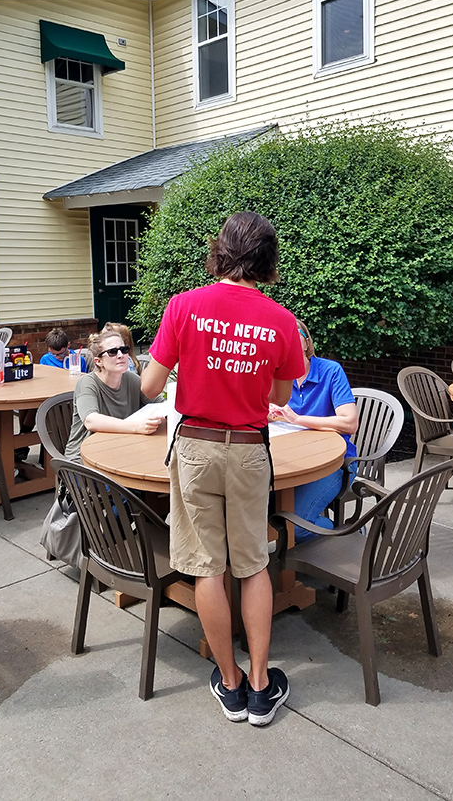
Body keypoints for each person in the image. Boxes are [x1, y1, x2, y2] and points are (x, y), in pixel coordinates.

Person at [141, 211, 305, 727]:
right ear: (267, 259)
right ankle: (261, 686)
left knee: (207, 566)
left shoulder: (184, 306)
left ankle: (229, 684)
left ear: (220, 251)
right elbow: (280, 395)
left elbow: (148, 388)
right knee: (253, 563)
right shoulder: (280, 320)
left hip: (194, 446)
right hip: (249, 448)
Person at [269, 319, 358, 542]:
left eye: (293, 335)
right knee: (253, 513)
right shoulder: (274, 376)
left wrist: (298, 419)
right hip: (288, 463)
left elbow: (350, 423)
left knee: (294, 525)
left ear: (307, 343)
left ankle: (348, 536)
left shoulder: (330, 371)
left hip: (333, 463)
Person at [64, 328, 163, 462]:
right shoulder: (87, 382)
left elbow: (161, 404)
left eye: (124, 349)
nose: (121, 355)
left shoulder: (131, 378)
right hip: (84, 461)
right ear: (98, 361)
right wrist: (137, 426)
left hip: (121, 452)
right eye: (112, 352)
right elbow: (91, 420)